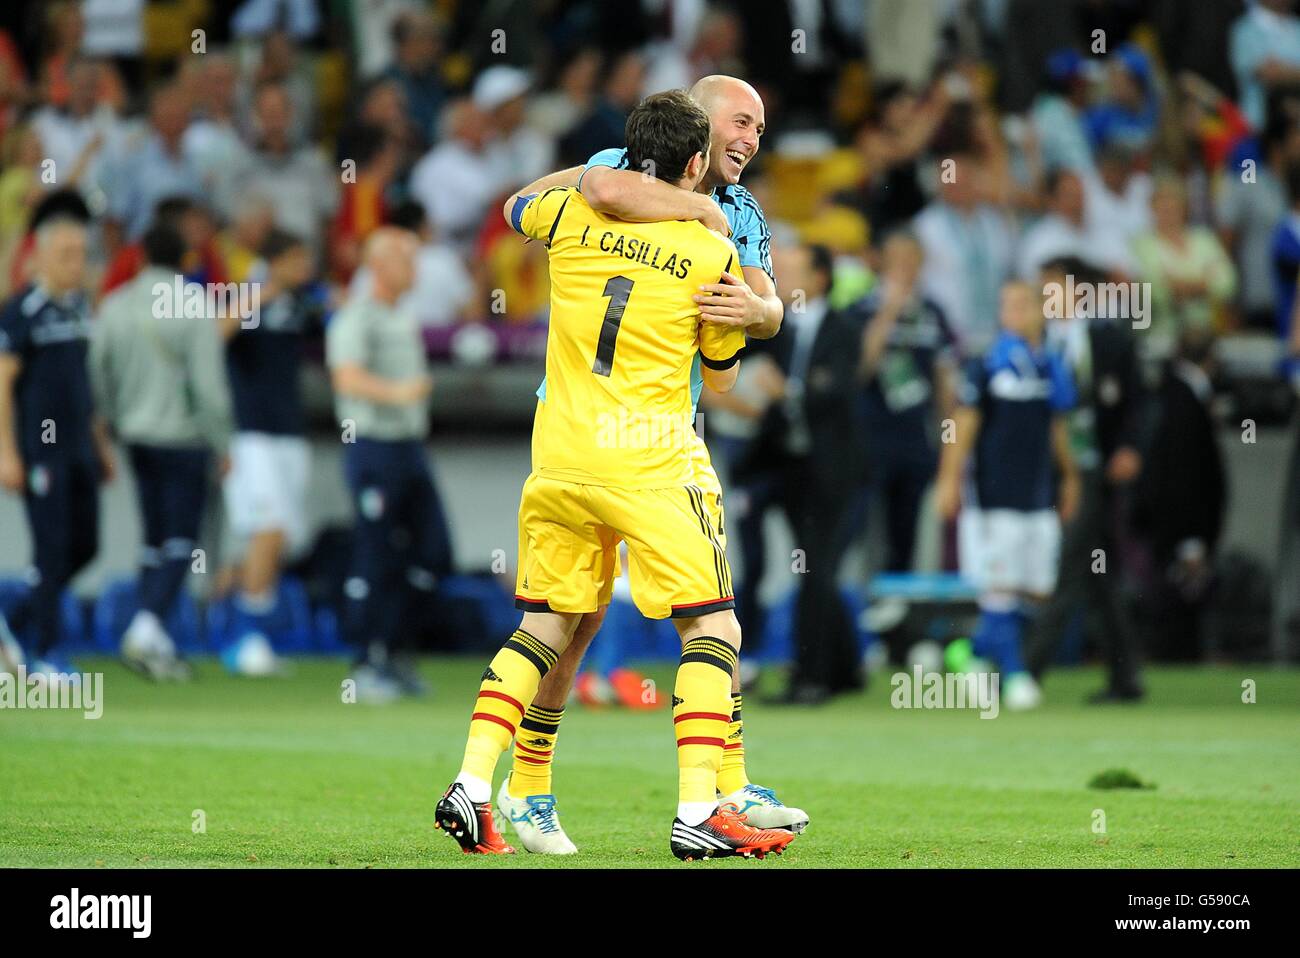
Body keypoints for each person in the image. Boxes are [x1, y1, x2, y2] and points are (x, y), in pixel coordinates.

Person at [436, 90, 796, 862]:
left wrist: (759, 309)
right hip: (655, 449)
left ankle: (477, 783)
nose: (753, 140)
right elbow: (727, 379)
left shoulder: (581, 211)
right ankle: (694, 805)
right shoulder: (705, 242)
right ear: (698, 145)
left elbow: (525, 205)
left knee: (554, 621)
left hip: (564, 443)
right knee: (709, 622)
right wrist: (714, 255)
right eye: (741, 124)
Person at [89, 222, 233, 680]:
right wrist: (223, 441)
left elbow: (97, 374)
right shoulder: (195, 304)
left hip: (135, 436)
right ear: (186, 260)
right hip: (184, 438)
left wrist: (113, 420)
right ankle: (147, 626)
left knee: (153, 540)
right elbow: (210, 388)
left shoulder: (115, 304)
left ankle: (155, 639)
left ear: (142, 256)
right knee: (180, 540)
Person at [935, 281, 1080, 711]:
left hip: (1038, 494)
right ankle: (1015, 677)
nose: (1012, 312)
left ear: (1040, 310)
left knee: (1036, 590)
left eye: (1021, 304)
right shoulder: (988, 363)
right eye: (1006, 305)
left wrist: (1070, 476)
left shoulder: (1052, 364)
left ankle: (971, 653)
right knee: (999, 588)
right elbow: (965, 422)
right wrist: (948, 478)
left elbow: (1058, 426)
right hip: (993, 495)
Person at [326, 227, 453, 702]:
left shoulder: (401, 315)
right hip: (373, 446)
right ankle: (365, 660)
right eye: (408, 260)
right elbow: (346, 375)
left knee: (431, 552)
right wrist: (400, 393)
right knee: (374, 552)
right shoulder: (357, 316)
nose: (416, 270)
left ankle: (396, 649)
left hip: (408, 447)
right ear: (380, 266)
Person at [747, 242, 868, 703]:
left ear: (821, 278)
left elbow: (834, 391)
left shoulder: (843, 329)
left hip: (837, 474)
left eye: (795, 269)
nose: (785, 278)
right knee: (816, 568)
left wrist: (788, 391)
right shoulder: (779, 327)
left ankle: (810, 678)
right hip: (792, 469)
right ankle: (847, 668)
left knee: (815, 570)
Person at [1027, 257, 1147, 702]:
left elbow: (1138, 401)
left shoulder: (1110, 340)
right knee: (1099, 573)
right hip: (1043, 471)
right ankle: (1126, 677)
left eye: (1052, 287)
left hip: (1090, 468)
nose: (1043, 296)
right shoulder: (1033, 340)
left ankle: (1025, 672)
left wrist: (1130, 447)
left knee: (1070, 565)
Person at [0, 216, 112, 680]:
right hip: (39, 448)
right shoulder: (23, 309)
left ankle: (16, 610)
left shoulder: (79, 308)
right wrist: (6, 452)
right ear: (39, 256)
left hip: (78, 447)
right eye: (65, 254)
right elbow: (3, 381)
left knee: (86, 545)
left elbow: (84, 385)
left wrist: (100, 444)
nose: (75, 263)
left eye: (82, 254)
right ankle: (46, 654)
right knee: (50, 549)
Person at [219, 228, 321, 676]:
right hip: (251, 432)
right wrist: (255, 297)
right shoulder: (249, 295)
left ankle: (230, 627)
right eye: (297, 259)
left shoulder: (300, 303)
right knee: (269, 530)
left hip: (289, 433)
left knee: (278, 541)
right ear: (276, 260)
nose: (305, 268)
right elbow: (216, 333)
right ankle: (247, 638)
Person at [857, 230, 957, 574]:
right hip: (871, 442)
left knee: (908, 532)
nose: (905, 269)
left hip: (916, 441)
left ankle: (900, 610)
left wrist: (948, 440)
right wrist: (888, 313)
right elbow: (859, 368)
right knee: (869, 532)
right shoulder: (861, 309)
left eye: (912, 261)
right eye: (897, 261)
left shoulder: (933, 313)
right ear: (882, 262)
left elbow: (946, 380)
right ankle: (866, 609)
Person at [1131, 327, 1227, 662]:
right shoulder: (1184, 400)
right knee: (1176, 607)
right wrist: (1191, 538)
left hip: (1167, 525)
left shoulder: (1173, 393)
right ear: (1212, 359)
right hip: (1178, 528)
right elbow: (1186, 476)